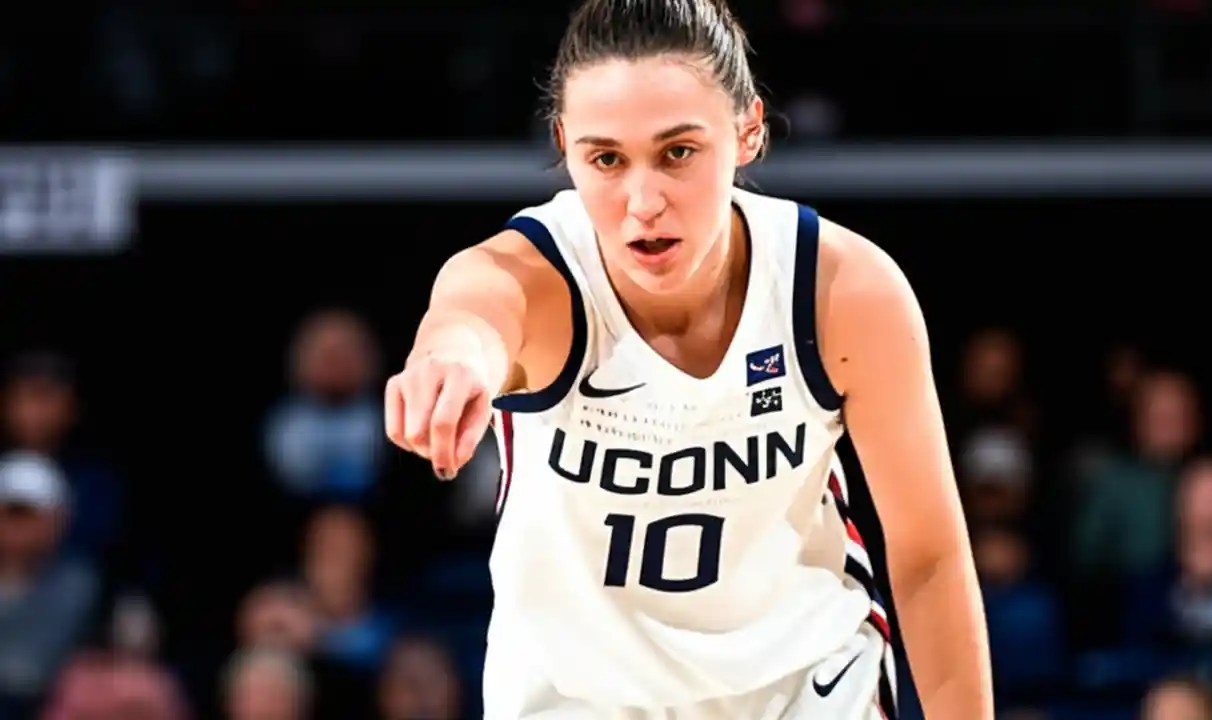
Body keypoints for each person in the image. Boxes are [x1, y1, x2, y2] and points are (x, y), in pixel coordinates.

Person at [384, 0, 992, 717]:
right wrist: (452, 359)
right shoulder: (534, 276)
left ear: (748, 131)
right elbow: (470, 317)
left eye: (678, 152)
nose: (644, 200)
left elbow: (927, 557)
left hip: (807, 690)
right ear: (565, 146)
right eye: (606, 159)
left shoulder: (843, 290)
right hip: (580, 700)